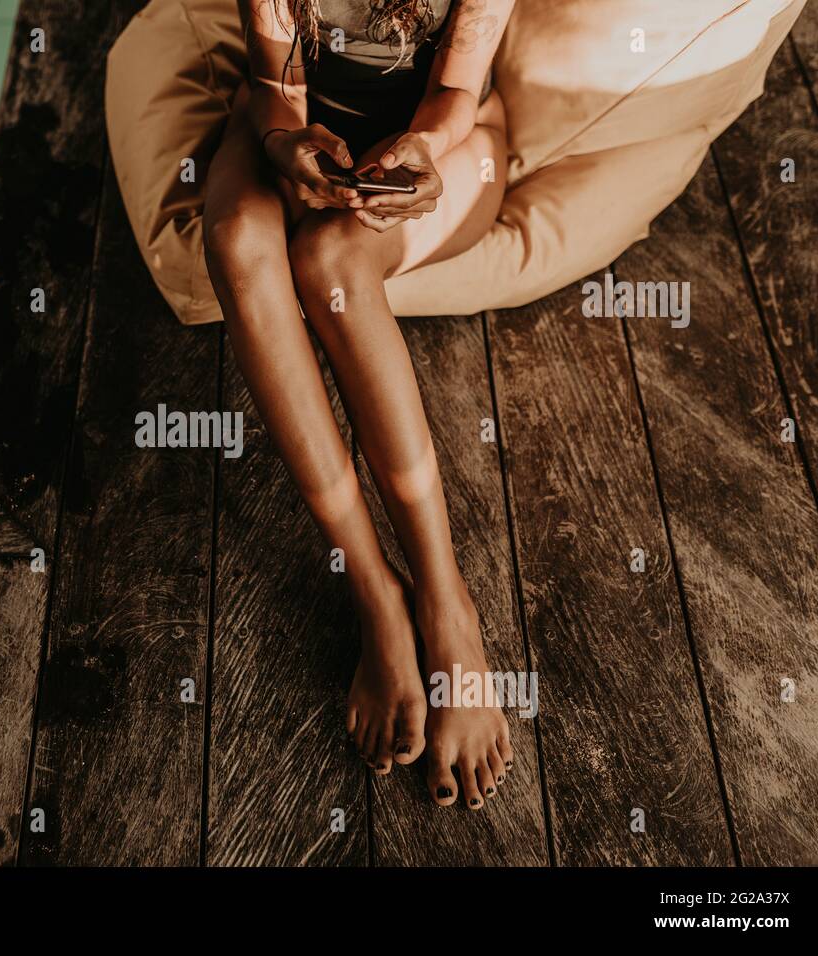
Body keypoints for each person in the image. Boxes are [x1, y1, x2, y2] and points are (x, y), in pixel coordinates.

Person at [202, 0, 516, 809]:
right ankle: (376, 592)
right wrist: (286, 144)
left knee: (331, 258)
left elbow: (455, 94)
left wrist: (420, 151)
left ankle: (446, 603)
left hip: (451, 146)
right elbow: (274, 89)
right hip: (291, 130)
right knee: (240, 239)